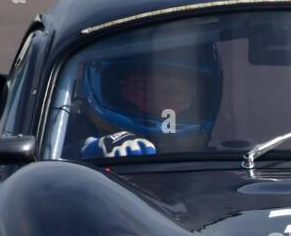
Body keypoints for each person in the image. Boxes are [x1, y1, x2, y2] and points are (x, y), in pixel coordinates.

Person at [76, 44, 223, 159]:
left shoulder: (228, 160)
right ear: (114, 90)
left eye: (177, 93)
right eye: (144, 89)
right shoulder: (67, 137)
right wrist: (86, 153)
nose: (160, 105)